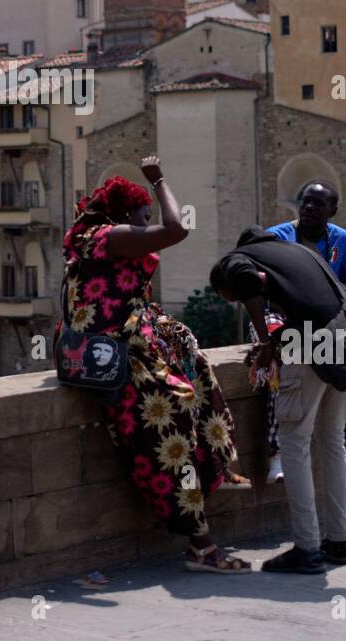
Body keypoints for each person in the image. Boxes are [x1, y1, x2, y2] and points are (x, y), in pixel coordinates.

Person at [58, 157, 252, 573]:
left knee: (196, 364)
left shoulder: (98, 237)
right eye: (143, 215)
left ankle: (216, 468)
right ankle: (200, 543)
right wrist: (160, 180)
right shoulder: (109, 237)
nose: (149, 223)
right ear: (127, 215)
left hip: (122, 343)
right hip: (108, 358)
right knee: (172, 415)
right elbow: (177, 228)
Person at [210, 227, 346, 575]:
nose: (234, 301)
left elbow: (245, 278)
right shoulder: (301, 252)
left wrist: (267, 344)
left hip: (313, 340)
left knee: (293, 442)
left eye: (228, 297)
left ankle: (307, 549)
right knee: (332, 441)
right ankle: (339, 543)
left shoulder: (237, 260)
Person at [263, 182, 346, 496]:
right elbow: (266, 292)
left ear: (332, 211)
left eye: (318, 203)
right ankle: (276, 456)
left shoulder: (343, 241)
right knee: (280, 373)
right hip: (283, 320)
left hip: (325, 326)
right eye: (305, 201)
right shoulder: (279, 238)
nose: (309, 208)